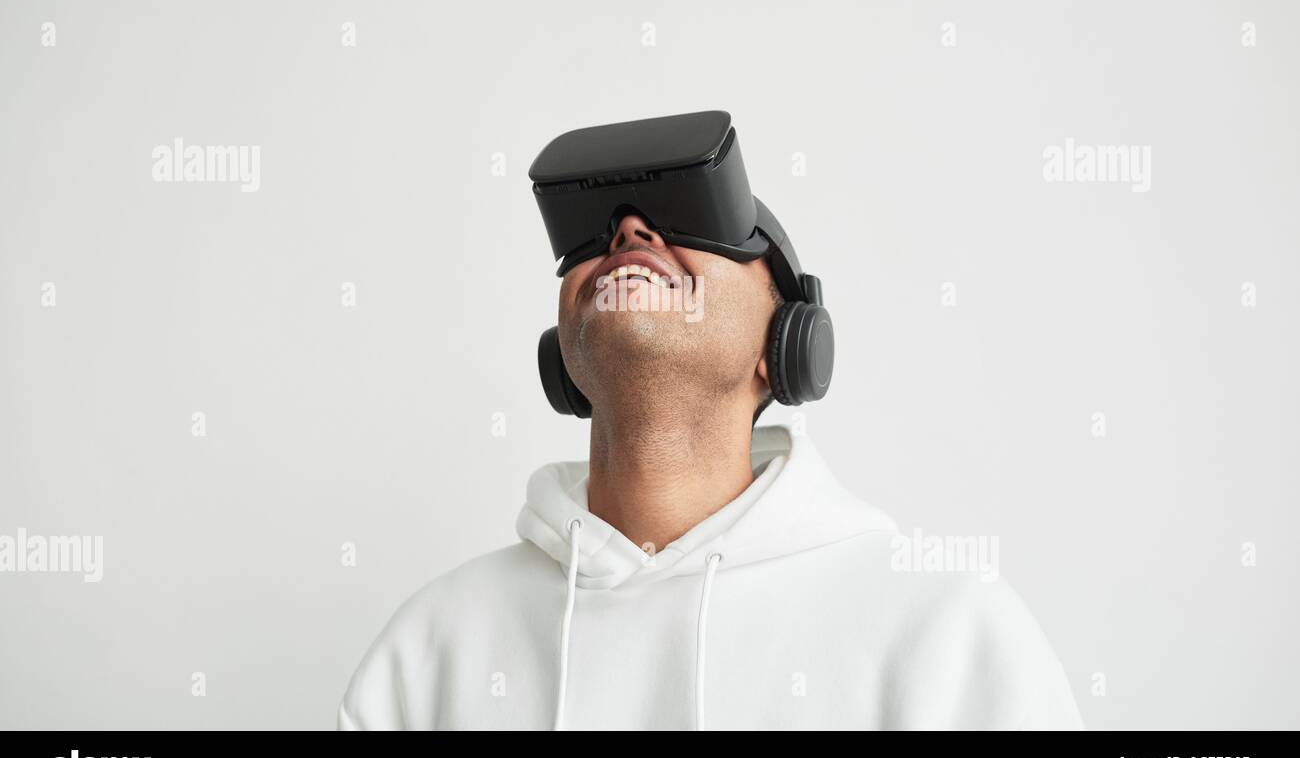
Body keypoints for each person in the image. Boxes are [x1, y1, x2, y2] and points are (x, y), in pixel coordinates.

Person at [336, 204, 1084, 730]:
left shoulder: (942, 629)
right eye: (601, 234)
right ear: (563, 354)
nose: (630, 229)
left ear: (786, 342)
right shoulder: (434, 643)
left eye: (695, 218)